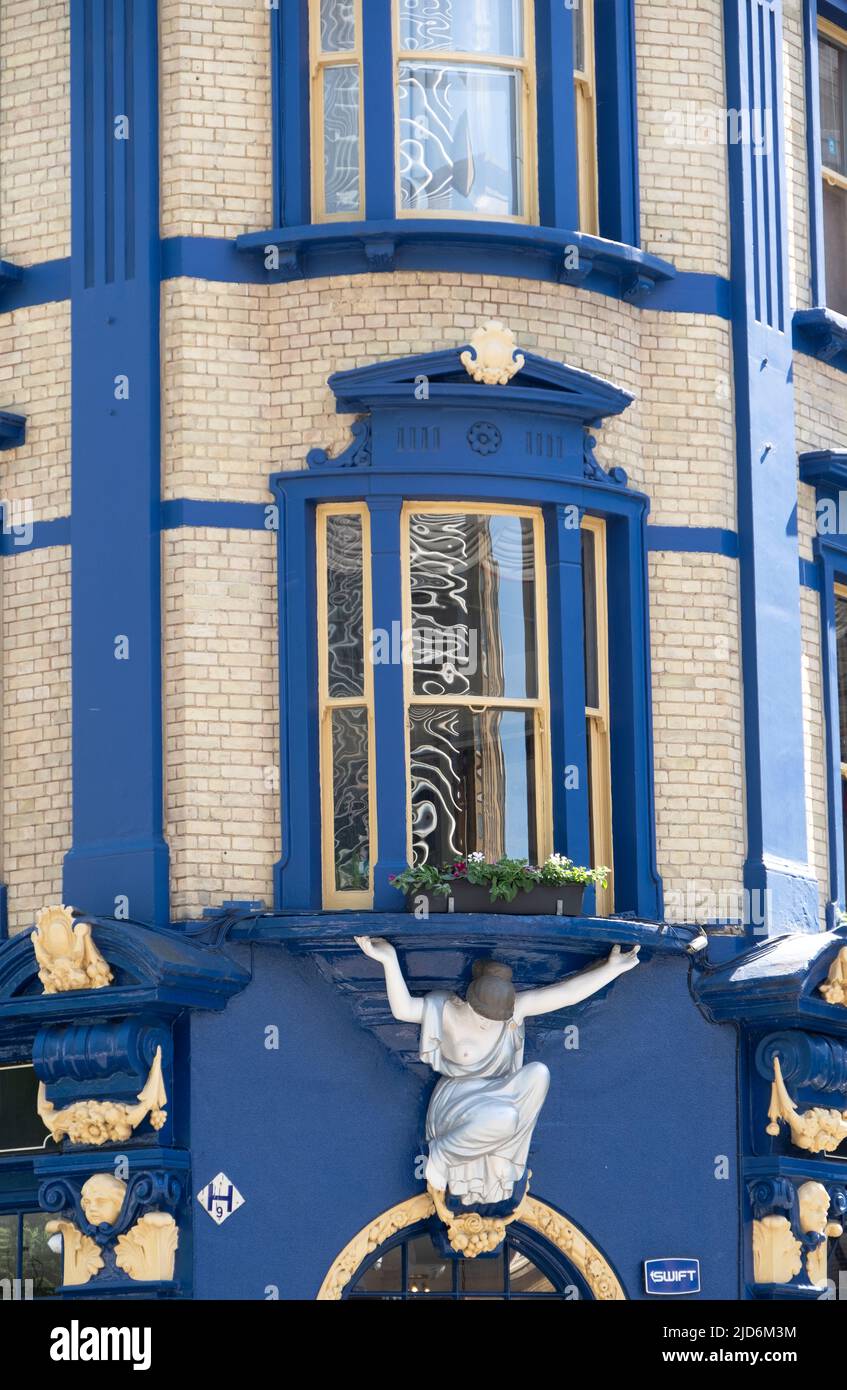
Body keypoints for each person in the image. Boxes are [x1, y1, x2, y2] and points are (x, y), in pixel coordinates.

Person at [355, 937, 640, 1206]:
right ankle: (442, 1154)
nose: (488, 1023)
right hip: (459, 1099)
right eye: (482, 1015)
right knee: (505, 1117)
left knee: (539, 1074)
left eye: (495, 1018)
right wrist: (388, 959)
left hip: (498, 1089)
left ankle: (503, 1157)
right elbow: (404, 1010)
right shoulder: (447, 1012)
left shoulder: (512, 1014)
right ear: (470, 1000)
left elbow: (564, 995)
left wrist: (611, 969)